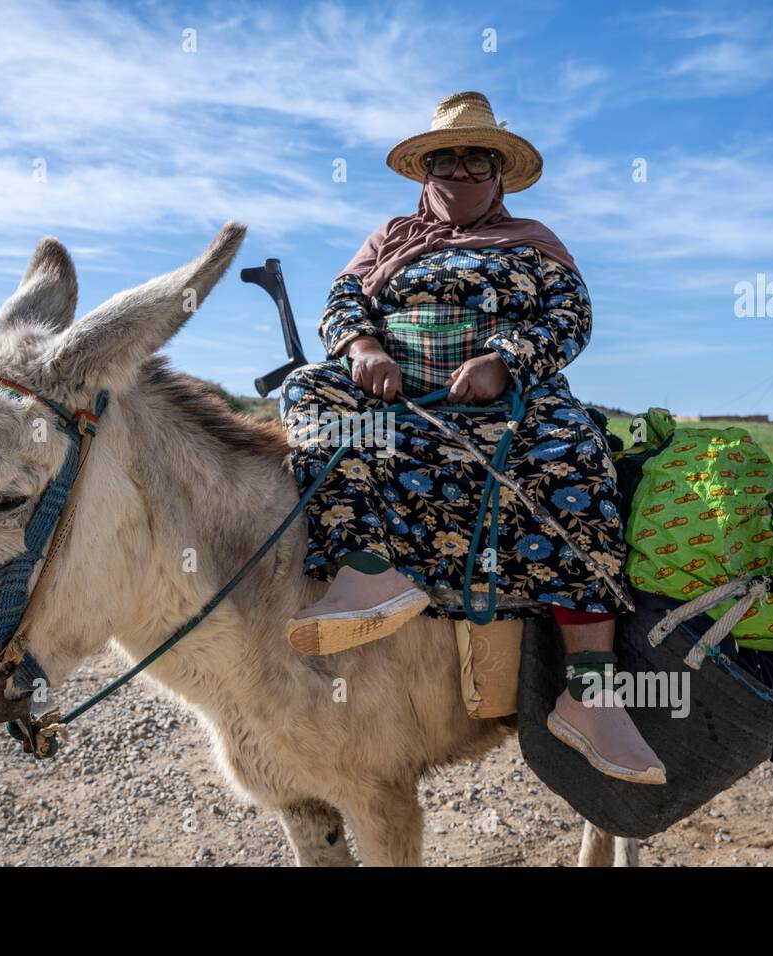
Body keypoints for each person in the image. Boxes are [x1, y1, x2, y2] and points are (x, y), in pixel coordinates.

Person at [279, 91, 665, 784]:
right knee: (309, 391)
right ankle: (368, 572)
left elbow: (570, 317)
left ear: (499, 173)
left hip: (511, 403)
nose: (459, 169)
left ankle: (591, 693)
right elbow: (342, 303)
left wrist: (505, 362)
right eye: (444, 158)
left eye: (476, 157)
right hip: (396, 402)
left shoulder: (536, 243)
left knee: (577, 453)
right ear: (424, 171)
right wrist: (364, 348)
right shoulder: (388, 240)